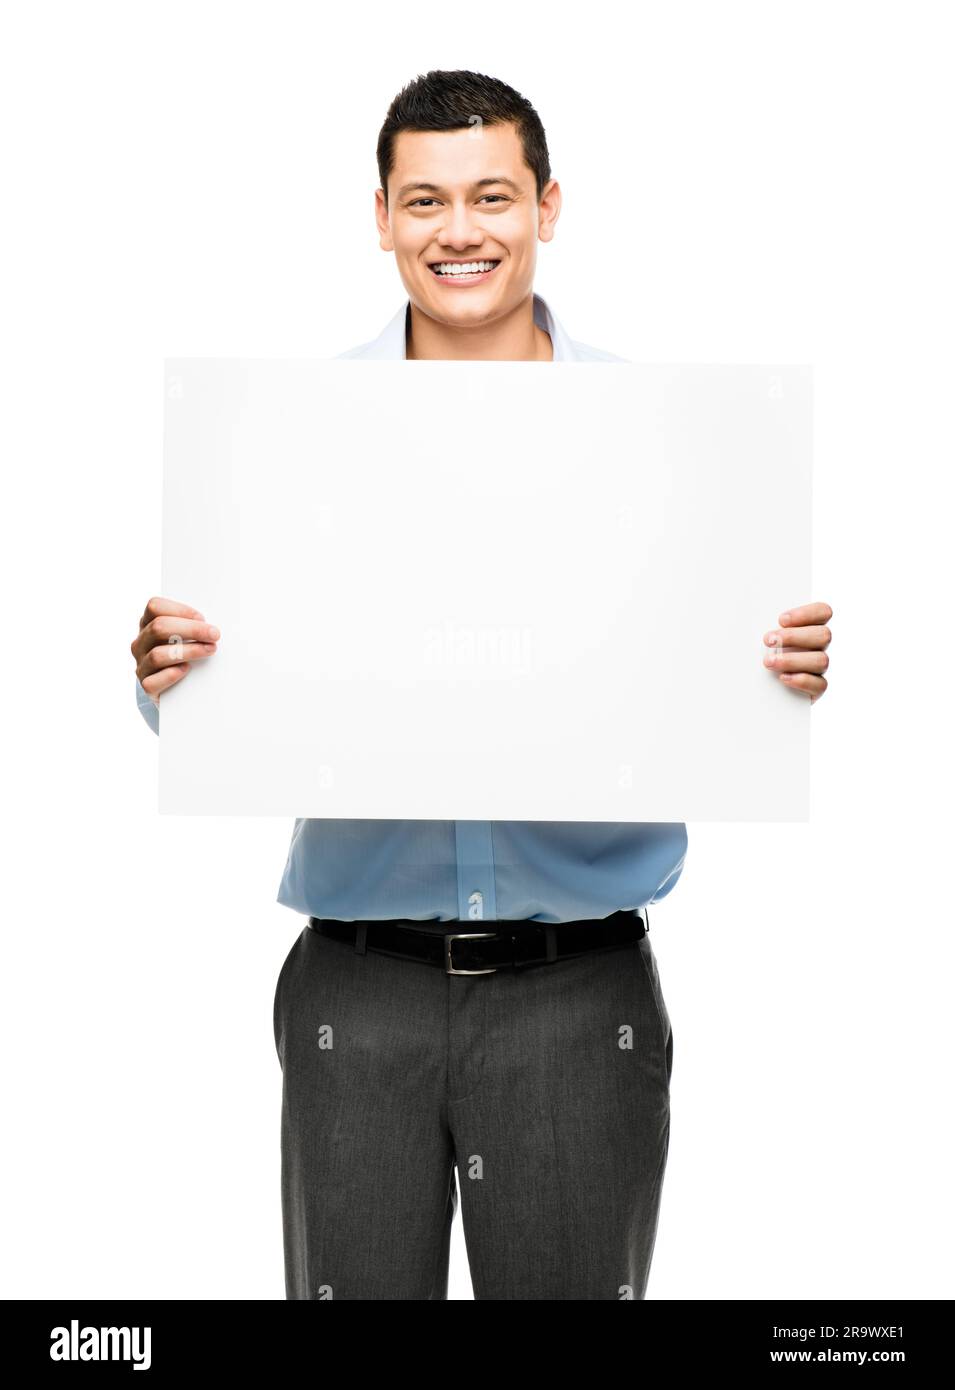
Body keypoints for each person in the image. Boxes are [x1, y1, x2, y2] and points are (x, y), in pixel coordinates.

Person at [130, 69, 833, 1300]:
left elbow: (707, 668)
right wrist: (168, 673)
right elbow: (226, 684)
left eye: (492, 196)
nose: (459, 231)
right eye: (425, 201)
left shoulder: (666, 437)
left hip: (578, 994)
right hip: (360, 990)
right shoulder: (289, 436)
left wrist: (771, 672)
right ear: (383, 216)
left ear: (548, 206)